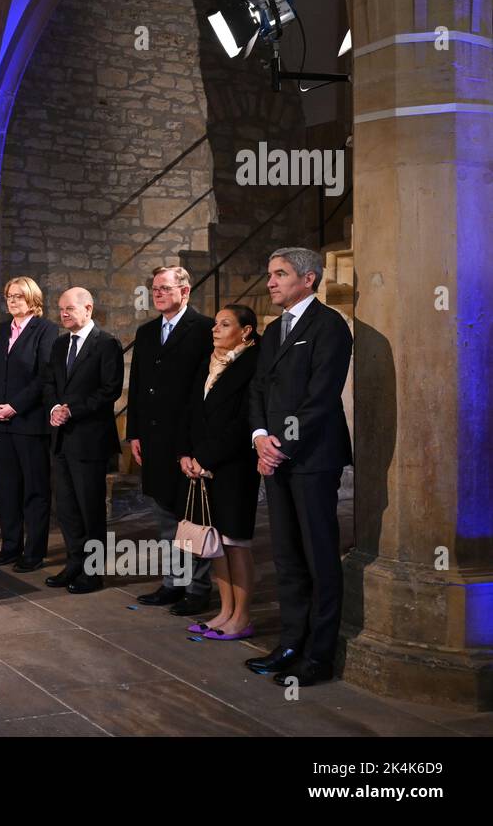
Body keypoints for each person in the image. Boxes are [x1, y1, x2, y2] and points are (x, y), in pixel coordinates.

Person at [246, 247, 353, 686]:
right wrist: (258, 438)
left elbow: (322, 397)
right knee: (287, 555)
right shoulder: (273, 330)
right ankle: (291, 642)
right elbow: (256, 389)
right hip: (275, 457)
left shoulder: (330, 327)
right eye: (269, 274)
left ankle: (319, 655)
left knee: (319, 556)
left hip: (312, 459)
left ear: (308, 279)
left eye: (280, 274)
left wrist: (281, 445)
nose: (270, 282)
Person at [127, 265, 215, 616]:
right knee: (164, 516)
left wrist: (193, 446)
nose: (158, 293)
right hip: (153, 438)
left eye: (165, 288)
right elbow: (137, 386)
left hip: (187, 439)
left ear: (185, 291)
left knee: (191, 516)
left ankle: (198, 589)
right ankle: (172, 583)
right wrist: (133, 432)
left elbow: (204, 390)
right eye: (154, 288)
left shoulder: (204, 329)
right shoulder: (147, 331)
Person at [175, 305, 262, 640]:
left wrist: (206, 457)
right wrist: (186, 453)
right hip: (202, 464)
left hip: (233, 464)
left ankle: (242, 617)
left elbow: (243, 421)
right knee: (215, 542)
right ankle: (224, 611)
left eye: (225, 324)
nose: (215, 329)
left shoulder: (253, 363)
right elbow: (190, 408)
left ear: (246, 331)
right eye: (215, 324)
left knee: (236, 542)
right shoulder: (210, 360)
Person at [40, 288, 123, 592]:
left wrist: (71, 410)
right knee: (67, 508)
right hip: (61, 438)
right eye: (60, 309)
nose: (63, 314)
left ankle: (93, 570)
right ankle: (74, 562)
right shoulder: (60, 344)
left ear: (88, 308)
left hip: (89, 439)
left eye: (69, 309)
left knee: (90, 509)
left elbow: (110, 389)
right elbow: (49, 383)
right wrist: (53, 409)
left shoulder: (106, 344)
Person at [0, 277, 59, 571]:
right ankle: (10, 546)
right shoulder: (2, 331)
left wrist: (13, 407)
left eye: (18, 296)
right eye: (9, 296)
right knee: (8, 487)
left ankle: (34, 552)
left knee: (35, 489)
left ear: (32, 298)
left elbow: (43, 377)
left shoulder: (46, 330)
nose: (12, 301)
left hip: (29, 421)